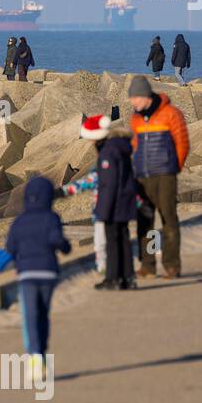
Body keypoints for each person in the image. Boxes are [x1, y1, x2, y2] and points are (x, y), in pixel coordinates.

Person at [5, 176, 72, 374]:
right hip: (48, 273)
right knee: (43, 313)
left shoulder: (19, 221)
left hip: (27, 275)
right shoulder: (52, 218)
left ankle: (35, 355)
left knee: (30, 315)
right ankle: (41, 351)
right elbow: (57, 240)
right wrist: (65, 247)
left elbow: (10, 247)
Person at [129, 75, 189, 279]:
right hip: (142, 176)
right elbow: (136, 145)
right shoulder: (135, 118)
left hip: (165, 175)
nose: (132, 102)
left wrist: (174, 167)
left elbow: (182, 143)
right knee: (146, 221)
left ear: (145, 96)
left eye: (134, 98)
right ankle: (148, 264)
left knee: (168, 219)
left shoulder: (171, 114)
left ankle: (172, 265)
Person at [83, 112, 138, 290]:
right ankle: (128, 278)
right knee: (123, 240)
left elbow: (109, 184)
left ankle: (113, 279)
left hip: (114, 205)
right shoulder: (119, 147)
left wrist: (102, 211)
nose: (89, 142)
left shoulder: (108, 153)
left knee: (112, 243)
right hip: (125, 201)